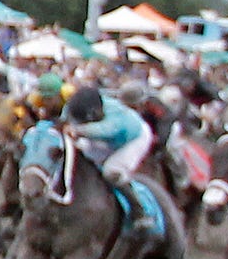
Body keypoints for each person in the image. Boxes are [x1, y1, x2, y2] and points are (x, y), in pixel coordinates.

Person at [60, 86, 156, 235]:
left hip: (134, 139)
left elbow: (105, 130)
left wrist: (78, 130)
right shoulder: (74, 106)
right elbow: (64, 119)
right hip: (106, 139)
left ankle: (140, 212)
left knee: (111, 171)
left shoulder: (117, 116)